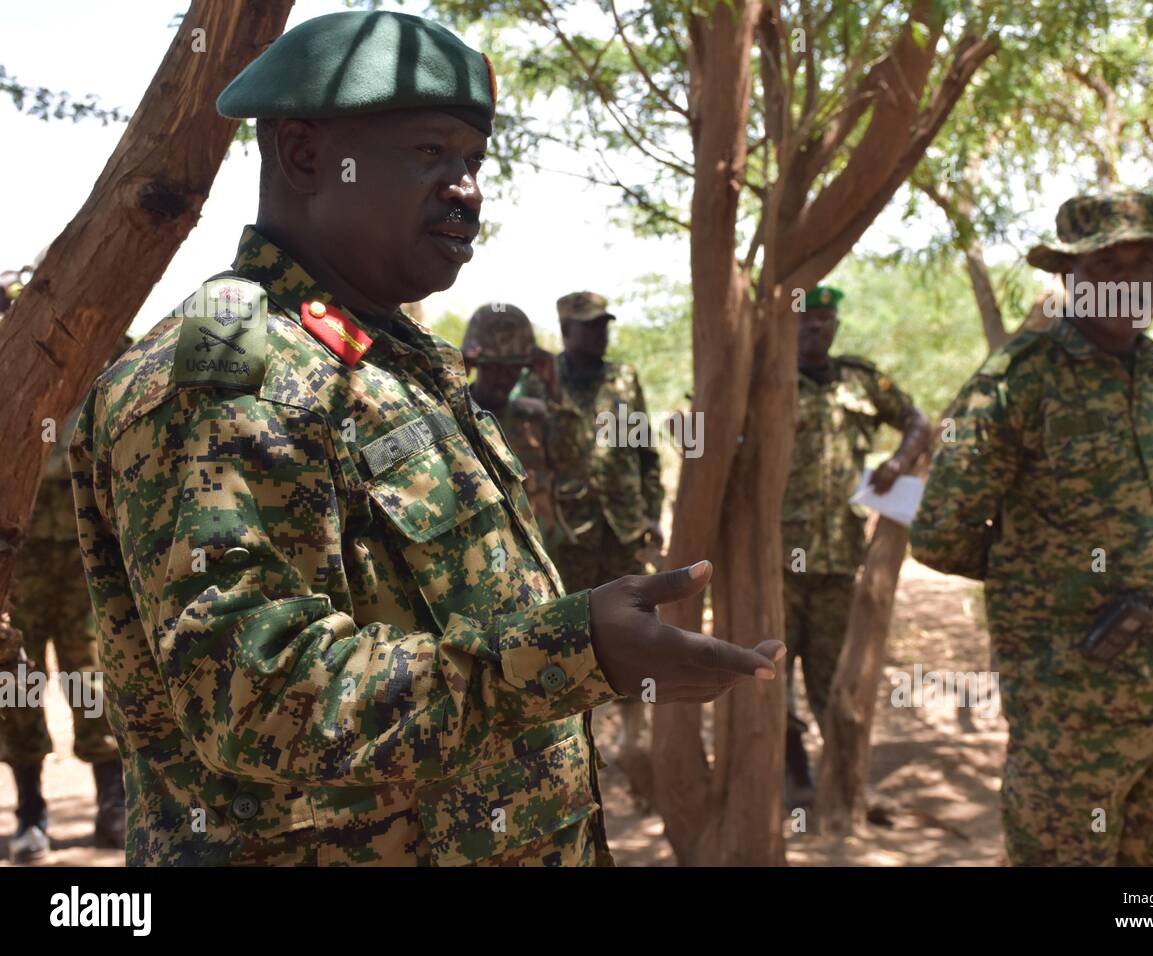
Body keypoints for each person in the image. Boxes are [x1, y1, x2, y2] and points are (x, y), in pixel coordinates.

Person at [70, 10, 782, 867]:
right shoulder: (226, 374)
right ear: (304, 156)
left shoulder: (392, 357)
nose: (467, 187)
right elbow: (255, 697)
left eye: (474, 161)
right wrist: (571, 651)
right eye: (430, 153)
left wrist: (590, 654)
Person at [911, 190, 1153, 866]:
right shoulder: (1014, 385)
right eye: (1109, 267)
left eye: (1146, 264)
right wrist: (1059, 573)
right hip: (1071, 714)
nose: (1131, 282)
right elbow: (939, 534)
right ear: (1068, 276)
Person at [780, 285, 928, 806]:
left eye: (823, 320)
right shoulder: (768, 381)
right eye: (805, 320)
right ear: (789, 325)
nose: (814, 329)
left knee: (834, 679)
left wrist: (899, 462)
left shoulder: (863, 380)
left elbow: (918, 420)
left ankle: (844, 786)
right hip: (777, 563)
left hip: (840, 558)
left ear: (835, 326)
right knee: (773, 677)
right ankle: (792, 780)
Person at [1, 265, 124, 861]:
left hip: (81, 555)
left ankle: (112, 807)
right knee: (16, 683)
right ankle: (31, 814)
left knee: (91, 678)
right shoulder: (10, 367)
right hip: (14, 557)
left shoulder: (96, 358)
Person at [550, 291, 665, 758]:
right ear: (565, 331)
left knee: (634, 622)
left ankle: (635, 734)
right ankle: (582, 733)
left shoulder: (623, 379)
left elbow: (645, 453)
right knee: (575, 629)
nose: (600, 334)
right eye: (589, 327)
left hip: (623, 524)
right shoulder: (543, 380)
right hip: (568, 529)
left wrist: (654, 511)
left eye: (603, 326)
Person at [460, 303, 581, 547]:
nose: (504, 377)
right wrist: (453, 373)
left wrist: (554, 386)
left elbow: (573, 460)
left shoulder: (534, 415)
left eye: (513, 368)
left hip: (537, 545)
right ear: (477, 366)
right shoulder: (455, 415)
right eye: (494, 367)